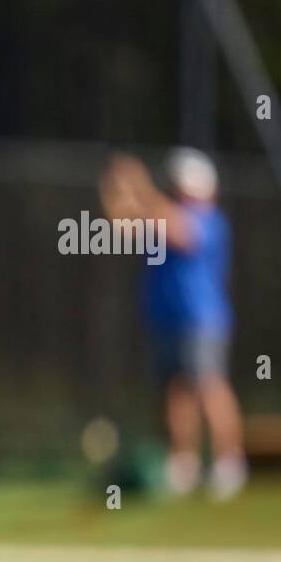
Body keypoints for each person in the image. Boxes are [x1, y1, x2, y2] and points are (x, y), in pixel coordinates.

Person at [100, 148, 247, 500]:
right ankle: (184, 464)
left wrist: (141, 187)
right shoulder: (162, 214)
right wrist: (116, 188)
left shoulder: (207, 218)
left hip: (201, 318)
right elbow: (121, 226)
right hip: (165, 318)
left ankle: (229, 464)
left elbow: (180, 233)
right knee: (176, 393)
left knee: (209, 388)